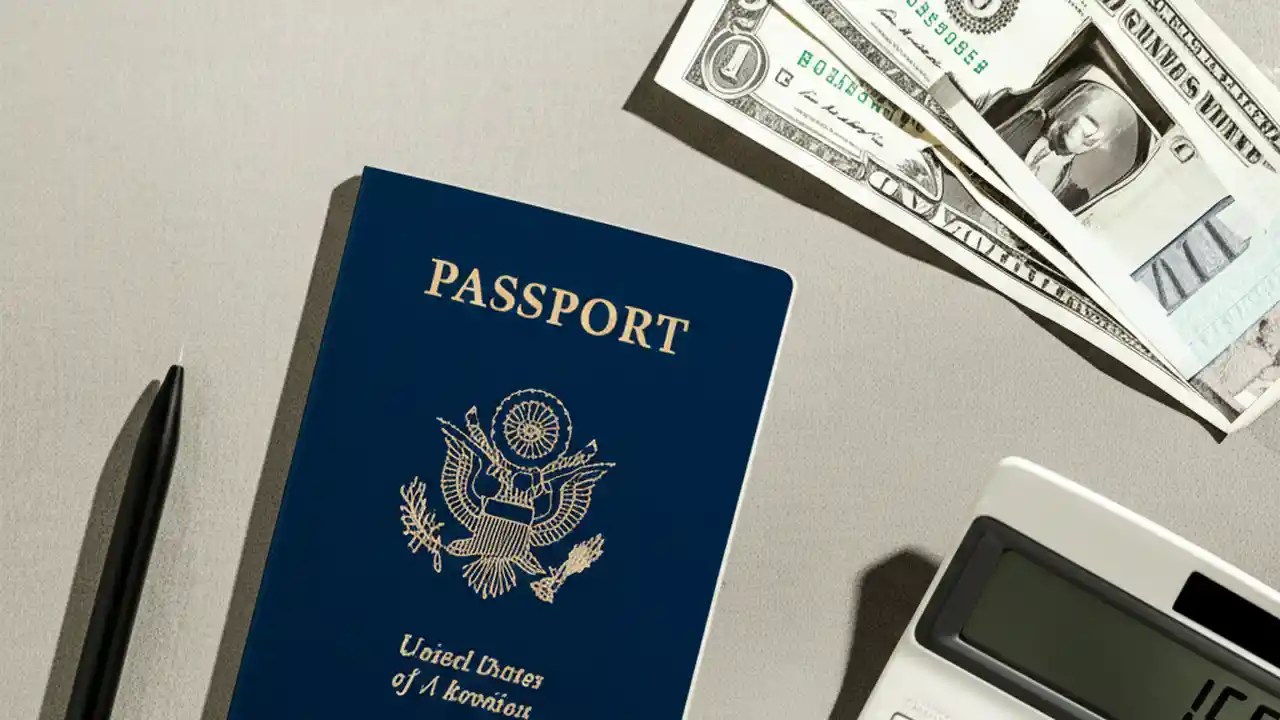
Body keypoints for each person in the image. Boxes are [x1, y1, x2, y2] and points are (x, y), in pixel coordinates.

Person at [997, 80, 1141, 212]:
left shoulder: (1072, 198)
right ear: (1070, 106)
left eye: (1105, 134)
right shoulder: (1016, 115)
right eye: (1091, 120)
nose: (1093, 136)